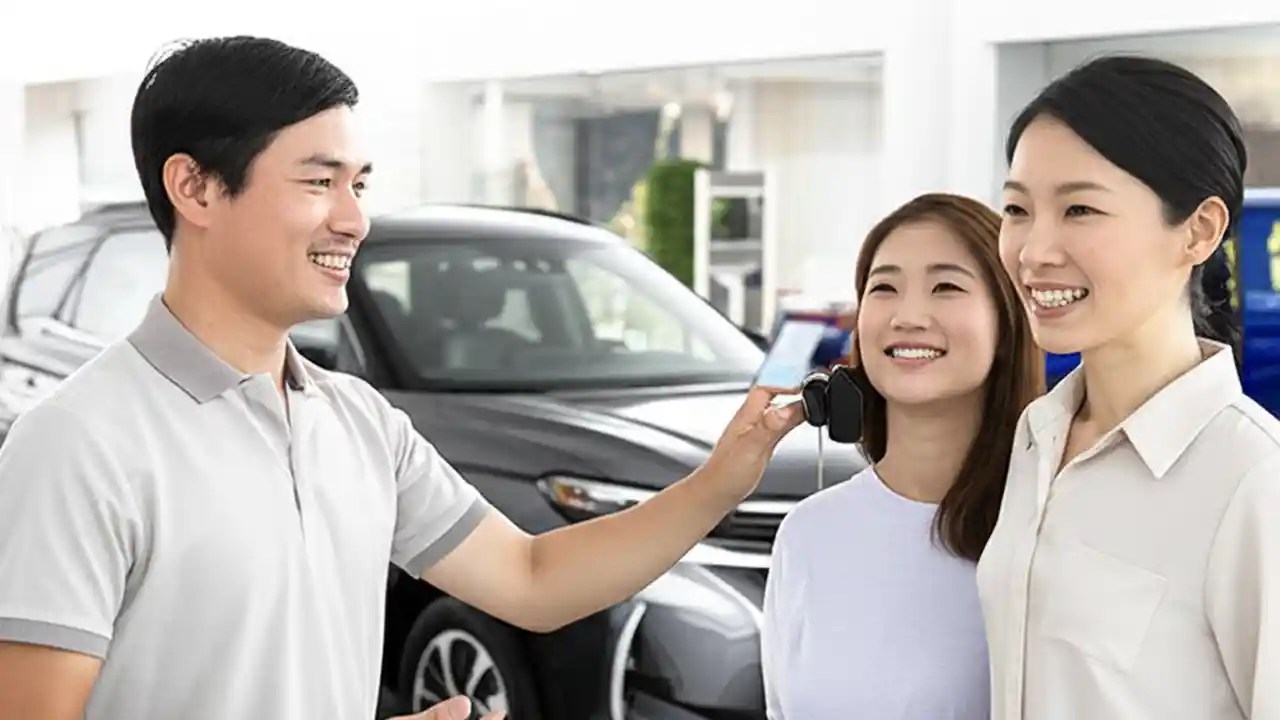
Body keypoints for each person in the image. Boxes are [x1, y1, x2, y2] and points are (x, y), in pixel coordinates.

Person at [0, 36, 804, 720]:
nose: (353, 219)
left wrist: (721, 481)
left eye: (359, 184)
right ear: (196, 188)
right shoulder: (76, 445)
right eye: (318, 182)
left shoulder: (358, 421)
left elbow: (532, 579)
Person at [979, 55, 1279, 719]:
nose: (1034, 251)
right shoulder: (1036, 438)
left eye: (1080, 209)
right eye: (1017, 208)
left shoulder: (1253, 480)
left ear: (1199, 231)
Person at [761, 193, 1044, 719]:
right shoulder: (807, 533)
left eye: (946, 287)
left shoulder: (1052, 524)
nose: (908, 316)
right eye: (884, 288)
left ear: (1008, 322)